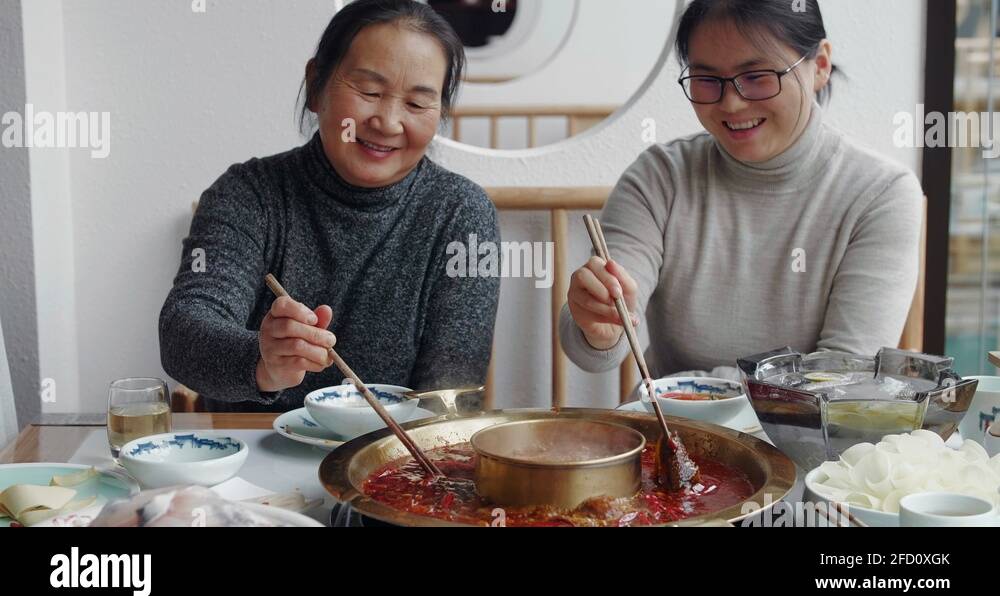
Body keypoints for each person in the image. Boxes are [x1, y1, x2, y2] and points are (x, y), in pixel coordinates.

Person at [160, 0, 499, 412]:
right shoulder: (249, 194)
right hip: (250, 455)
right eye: (370, 91)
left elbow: (450, 395)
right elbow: (183, 330)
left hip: (392, 459)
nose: (388, 122)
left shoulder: (460, 214)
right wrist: (262, 361)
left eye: (415, 103)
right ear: (316, 84)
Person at [559, 0, 922, 384]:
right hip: (682, 433)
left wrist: (700, 385)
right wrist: (601, 326)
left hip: (805, 436)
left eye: (758, 76)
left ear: (819, 65)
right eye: (707, 80)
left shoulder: (881, 193)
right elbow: (596, 349)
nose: (731, 103)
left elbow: (843, 373)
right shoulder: (659, 178)